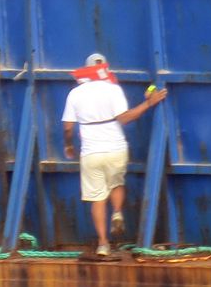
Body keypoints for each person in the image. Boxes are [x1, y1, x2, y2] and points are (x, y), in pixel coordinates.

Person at [61, 53, 167, 258]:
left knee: (97, 199)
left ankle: (103, 244)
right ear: (105, 68)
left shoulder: (75, 93)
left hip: (91, 152)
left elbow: (67, 128)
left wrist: (68, 146)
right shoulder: (114, 89)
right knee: (117, 184)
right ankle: (117, 213)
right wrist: (148, 103)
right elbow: (125, 118)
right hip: (116, 149)